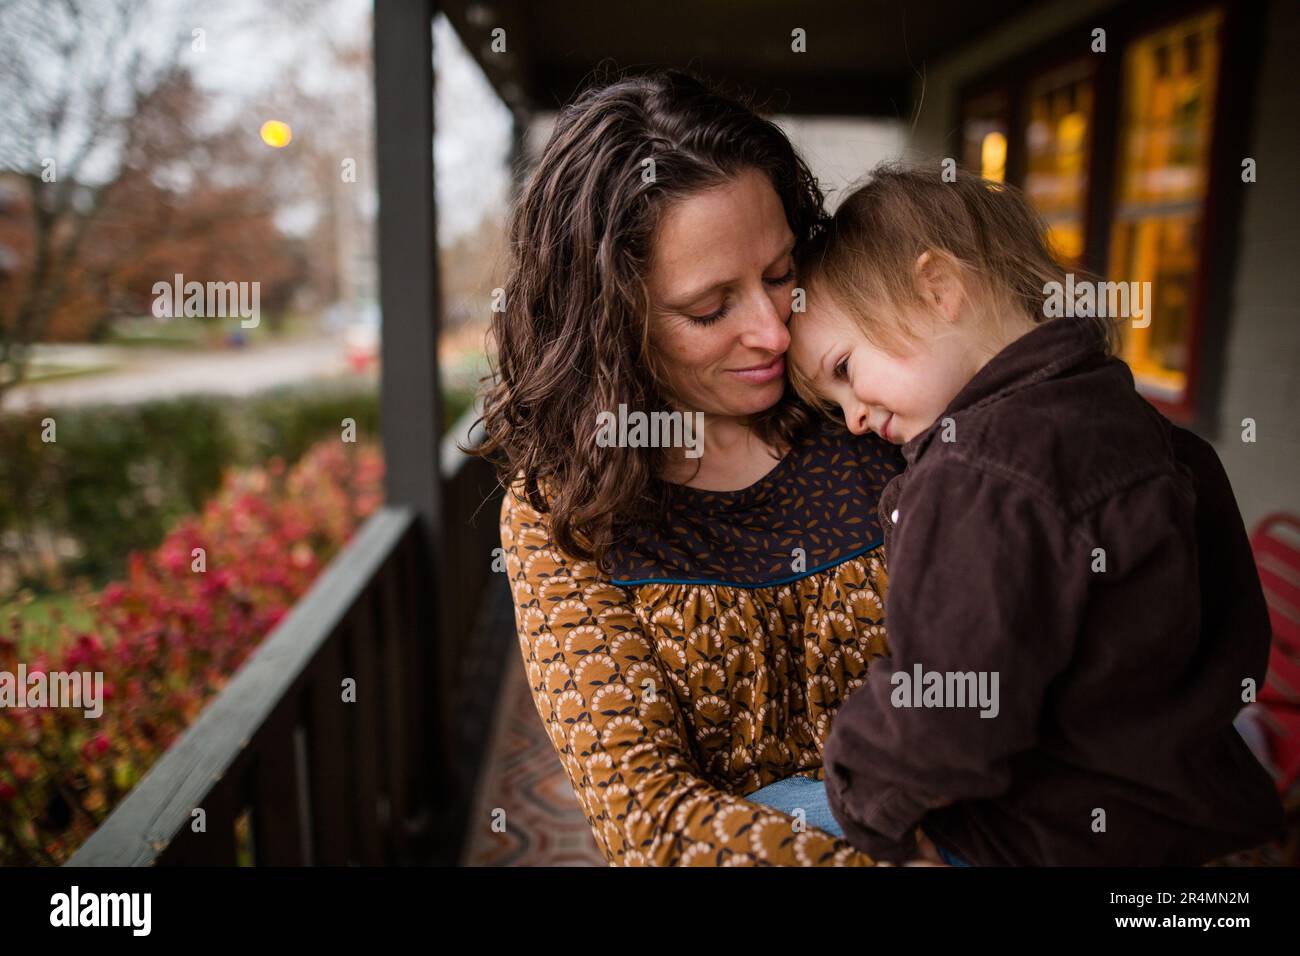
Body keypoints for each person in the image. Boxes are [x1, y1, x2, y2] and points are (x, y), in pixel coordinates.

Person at [785, 162, 1285, 865]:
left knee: (760, 811)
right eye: (835, 410)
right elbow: (1239, 638)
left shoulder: (975, 476)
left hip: (1049, 845)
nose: (856, 420)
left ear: (938, 289)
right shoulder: (1154, 435)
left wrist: (867, 802)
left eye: (844, 370)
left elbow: (946, 710)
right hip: (1207, 825)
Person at [478, 71, 908, 865]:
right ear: (609, 319)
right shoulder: (563, 513)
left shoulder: (878, 408)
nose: (773, 332)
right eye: (711, 309)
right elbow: (648, 817)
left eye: (782, 276)